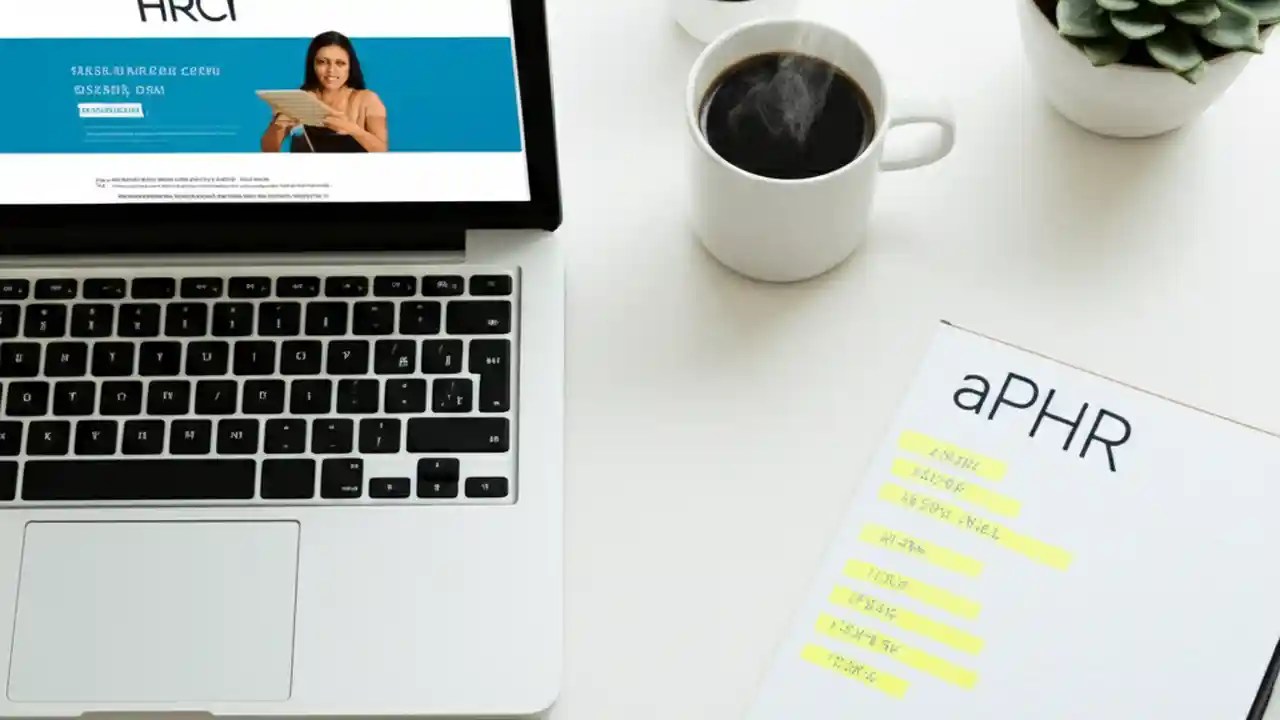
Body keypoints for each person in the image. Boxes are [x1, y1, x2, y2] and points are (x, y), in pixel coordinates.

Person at [261, 31, 389, 153]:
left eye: (340, 63)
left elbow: (382, 150)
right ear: (313, 65)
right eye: (322, 62)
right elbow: (268, 149)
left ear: (350, 66)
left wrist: (351, 129)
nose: (331, 70)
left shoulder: (367, 100)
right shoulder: (300, 98)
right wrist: (278, 127)